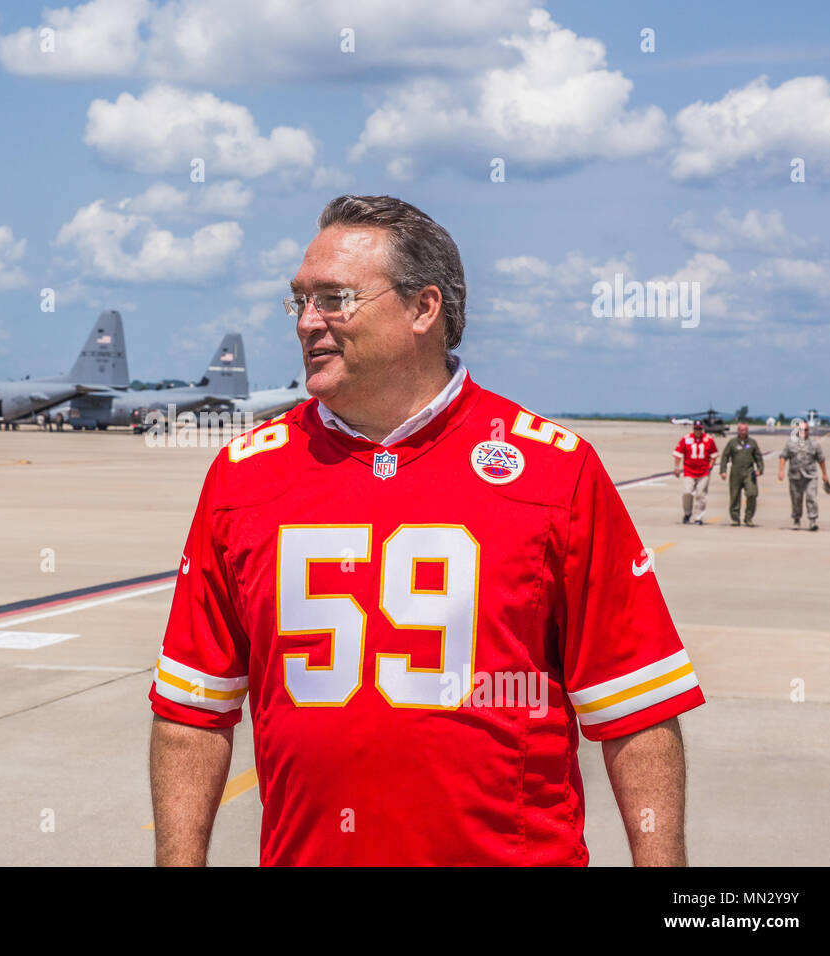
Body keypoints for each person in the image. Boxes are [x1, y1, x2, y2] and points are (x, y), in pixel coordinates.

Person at [148, 195, 704, 866]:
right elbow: (192, 711)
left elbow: (635, 711)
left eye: (335, 298)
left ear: (423, 309)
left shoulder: (555, 473)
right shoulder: (243, 478)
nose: (307, 322)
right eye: (299, 300)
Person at [778, 421, 830, 531]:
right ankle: (796, 520)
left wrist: (825, 474)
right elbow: (783, 456)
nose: (803, 432)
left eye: (806, 430)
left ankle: (812, 521)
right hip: (794, 476)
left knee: (811, 497)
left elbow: (821, 459)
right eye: (801, 430)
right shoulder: (790, 443)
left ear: (809, 431)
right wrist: (781, 471)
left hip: (810, 476)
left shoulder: (814, 444)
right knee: (796, 499)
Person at [718, 422, 763, 526]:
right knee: (734, 496)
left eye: (745, 430)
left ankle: (748, 518)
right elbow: (725, 456)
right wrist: (723, 471)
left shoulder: (752, 443)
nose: (743, 432)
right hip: (736, 472)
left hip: (749, 472)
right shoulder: (732, 442)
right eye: (741, 430)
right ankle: (735, 518)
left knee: (752, 493)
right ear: (738, 430)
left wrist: (760, 469)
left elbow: (758, 457)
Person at [673, 420, 717, 525]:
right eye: (696, 428)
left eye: (700, 428)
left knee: (701, 495)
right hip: (689, 471)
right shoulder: (686, 439)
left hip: (703, 472)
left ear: (702, 429)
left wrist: (709, 467)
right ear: (693, 429)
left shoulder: (708, 439)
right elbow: (678, 454)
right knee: (687, 492)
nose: (698, 430)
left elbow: (714, 455)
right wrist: (676, 468)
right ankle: (687, 513)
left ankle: (699, 517)